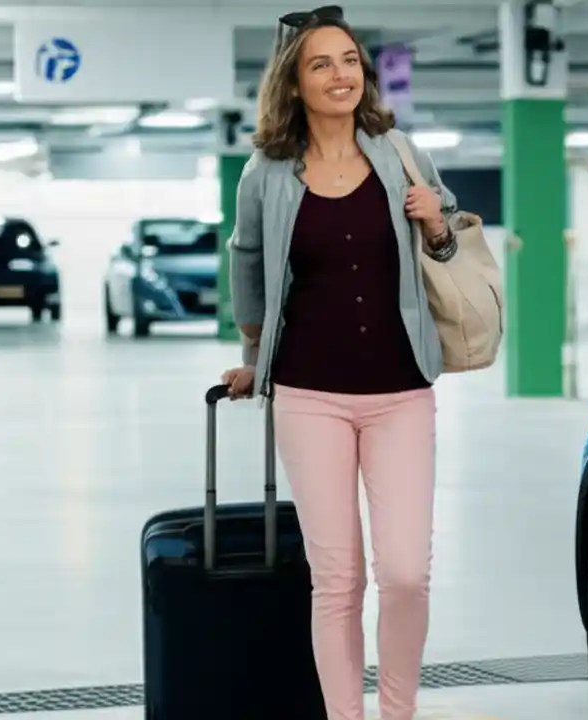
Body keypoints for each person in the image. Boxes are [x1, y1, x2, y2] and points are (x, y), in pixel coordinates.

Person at [218, 5, 460, 719]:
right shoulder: (266, 171)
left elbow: (446, 249)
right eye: (322, 63)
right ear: (293, 82)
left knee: (407, 573)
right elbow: (249, 264)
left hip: (401, 390)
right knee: (338, 580)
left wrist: (436, 222)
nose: (341, 74)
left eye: (350, 60)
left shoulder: (401, 153)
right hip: (308, 394)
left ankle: (398, 711)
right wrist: (254, 357)